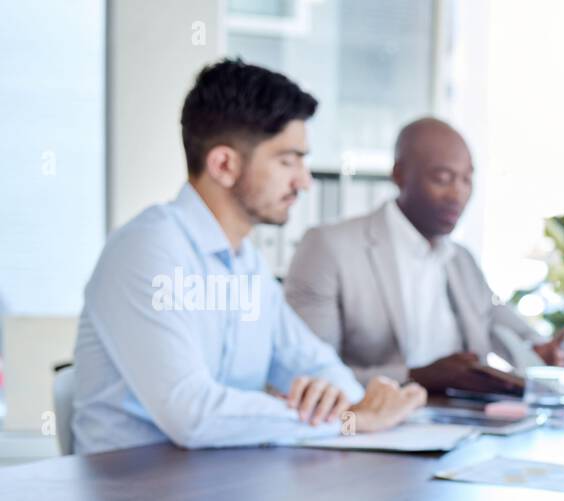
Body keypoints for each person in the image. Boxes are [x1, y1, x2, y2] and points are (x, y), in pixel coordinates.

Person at [72, 59, 425, 455]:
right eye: (287, 160)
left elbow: (313, 362)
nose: (304, 181)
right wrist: (347, 420)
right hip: (131, 499)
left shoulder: (247, 264)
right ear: (224, 164)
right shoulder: (147, 250)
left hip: (216, 486)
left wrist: (345, 401)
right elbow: (193, 415)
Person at [285, 117, 564, 395]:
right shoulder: (329, 246)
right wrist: (417, 377)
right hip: (365, 424)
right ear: (399, 175)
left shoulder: (461, 260)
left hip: (462, 420)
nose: (457, 193)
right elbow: (309, 376)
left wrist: (539, 348)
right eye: (442, 178)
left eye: (467, 180)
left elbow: (498, 318)